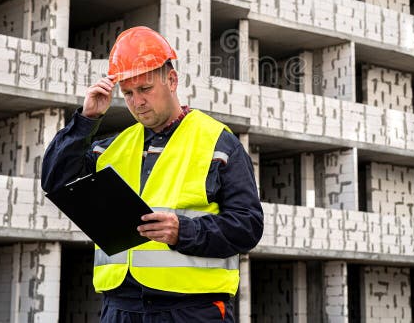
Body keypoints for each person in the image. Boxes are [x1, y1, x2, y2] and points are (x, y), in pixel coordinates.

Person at [42, 26, 263, 322]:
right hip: (120, 308)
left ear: (171, 80)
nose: (137, 102)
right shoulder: (110, 148)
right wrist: (86, 119)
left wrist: (183, 231)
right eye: (128, 93)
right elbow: (55, 181)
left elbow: (248, 226)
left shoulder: (218, 144)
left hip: (192, 310)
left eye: (145, 89)